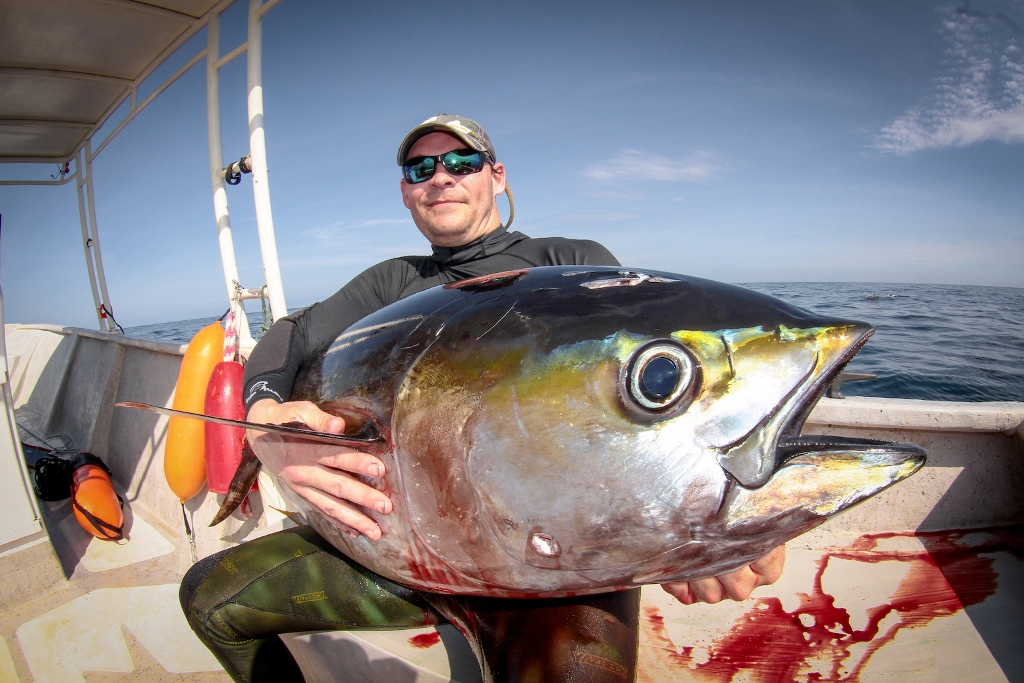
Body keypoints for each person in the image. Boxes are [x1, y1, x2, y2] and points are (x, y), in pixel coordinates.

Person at [180, 114, 786, 683]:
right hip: (404, 548)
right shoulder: (394, 283)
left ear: (497, 176)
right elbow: (292, 333)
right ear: (405, 193)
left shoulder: (572, 263)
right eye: (420, 170)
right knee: (210, 598)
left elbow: (630, 417)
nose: (440, 177)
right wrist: (262, 417)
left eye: (462, 162)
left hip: (560, 574)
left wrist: (721, 520)